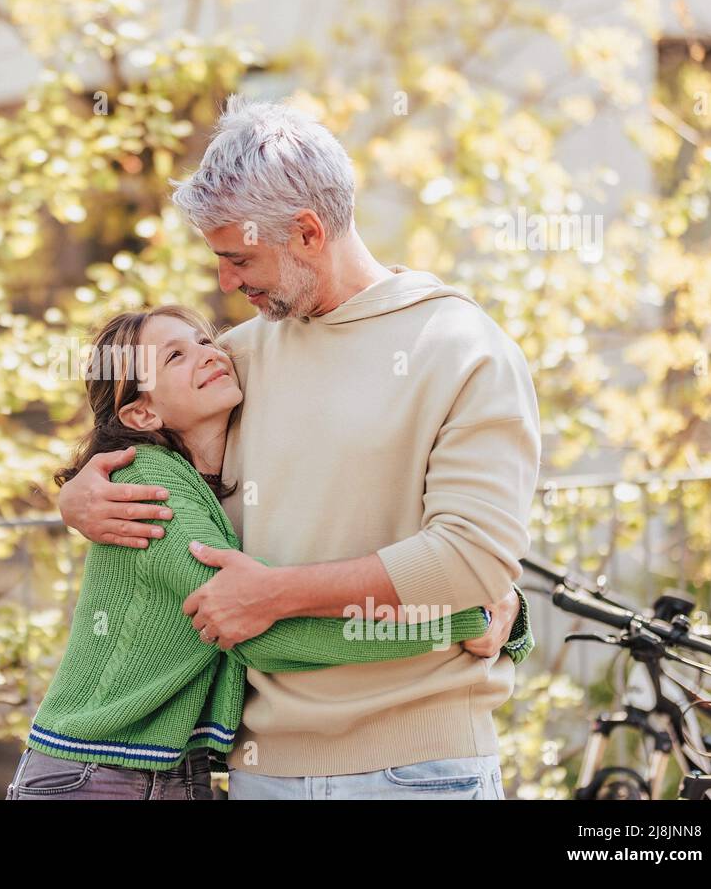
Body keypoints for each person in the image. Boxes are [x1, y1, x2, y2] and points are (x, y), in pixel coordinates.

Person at [56, 96, 542, 800]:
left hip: (422, 771)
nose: (226, 282)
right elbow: (155, 457)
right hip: (263, 772)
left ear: (309, 233)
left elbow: (473, 557)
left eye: (239, 258)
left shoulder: (461, 351)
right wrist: (76, 498)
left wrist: (277, 594)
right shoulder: (232, 363)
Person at [7, 305, 532, 800]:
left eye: (203, 340)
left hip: (166, 768)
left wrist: (488, 592)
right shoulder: (147, 483)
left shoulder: (208, 471)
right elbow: (263, 633)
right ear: (142, 413)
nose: (209, 353)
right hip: (96, 774)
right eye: (175, 356)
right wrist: (464, 615)